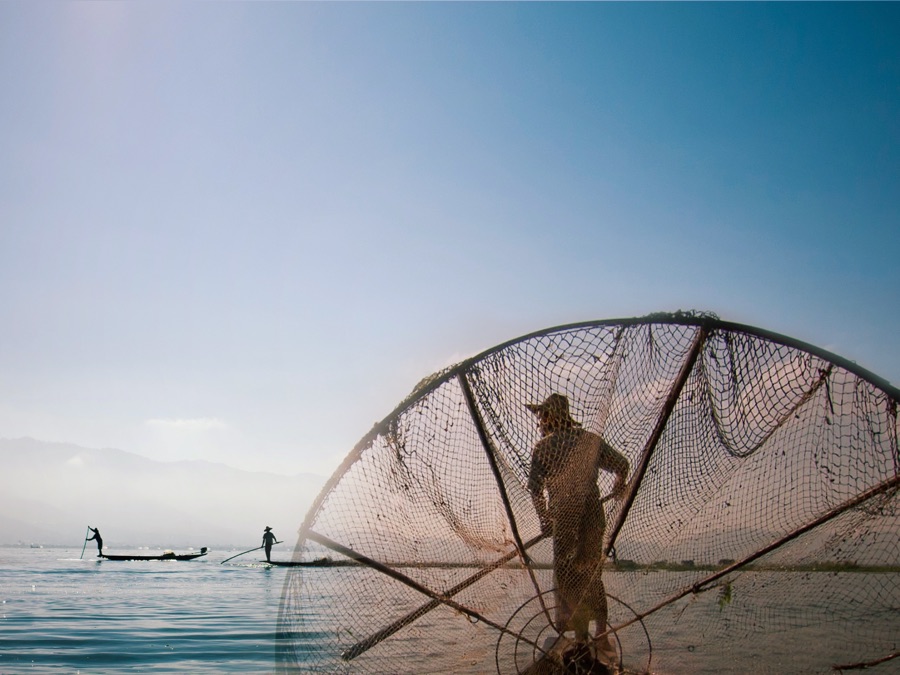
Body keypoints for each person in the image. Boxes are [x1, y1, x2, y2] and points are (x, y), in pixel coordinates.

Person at [526, 393, 629, 667]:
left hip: (566, 522)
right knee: (592, 575)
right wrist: (619, 484)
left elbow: (535, 490)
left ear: (548, 418)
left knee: (571, 581)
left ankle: (582, 640)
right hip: (593, 517)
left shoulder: (543, 447)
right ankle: (601, 634)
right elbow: (622, 465)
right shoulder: (589, 440)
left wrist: (545, 520)